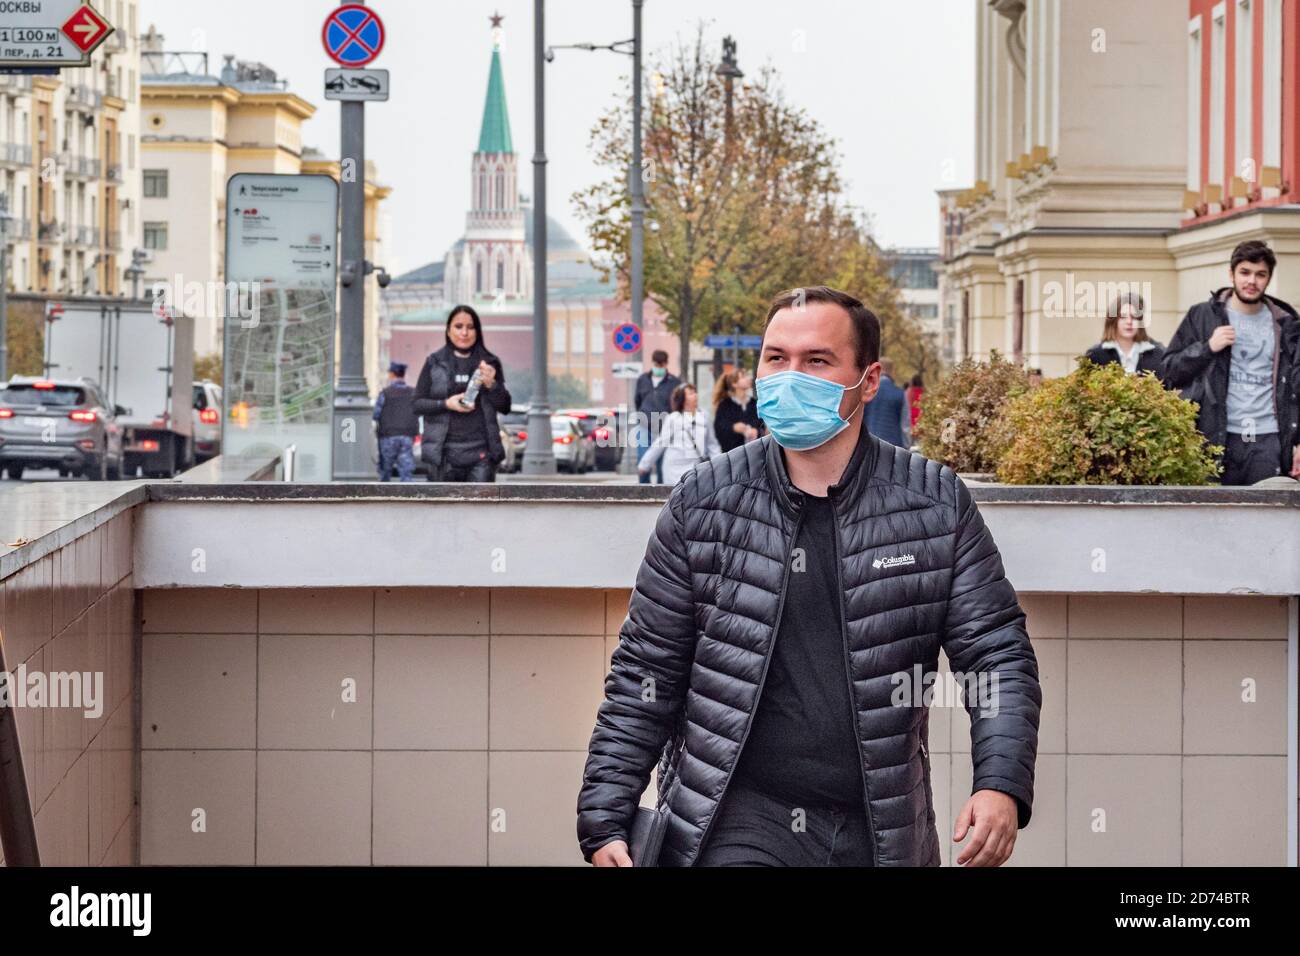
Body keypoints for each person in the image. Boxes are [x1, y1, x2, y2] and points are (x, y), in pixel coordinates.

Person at [578, 285, 1041, 868]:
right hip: (736, 817)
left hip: (880, 825)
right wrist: (606, 813)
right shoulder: (705, 502)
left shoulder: (934, 503)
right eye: (776, 358)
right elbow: (647, 669)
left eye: (816, 361)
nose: (789, 376)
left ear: (867, 382)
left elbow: (996, 656)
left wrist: (1000, 783)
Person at [1161, 240, 1300, 485]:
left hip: (1268, 438)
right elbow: (1169, 370)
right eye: (1245, 272)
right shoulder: (1203, 315)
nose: (1252, 281)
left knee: (1265, 518)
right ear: (1231, 273)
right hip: (1216, 437)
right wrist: (1207, 348)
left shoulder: (1286, 324)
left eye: (1260, 274)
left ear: (1268, 279)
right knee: (1216, 518)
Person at [412, 304, 512, 483]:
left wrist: (492, 384)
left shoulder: (490, 363)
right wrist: (446, 404)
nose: (464, 333)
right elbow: (417, 404)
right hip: (443, 454)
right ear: (448, 331)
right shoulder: (434, 363)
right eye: (458, 327)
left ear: (477, 332)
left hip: (481, 454)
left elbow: (505, 406)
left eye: (470, 327)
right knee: (444, 510)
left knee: (479, 509)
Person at [637, 383, 723, 485]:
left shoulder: (704, 416)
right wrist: (645, 465)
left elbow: (712, 443)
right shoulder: (673, 418)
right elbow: (660, 443)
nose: (695, 395)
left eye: (695, 392)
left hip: (697, 468)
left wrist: (720, 464)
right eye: (691, 393)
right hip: (674, 469)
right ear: (682, 398)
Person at [1084, 293, 1165, 375]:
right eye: (1123, 317)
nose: (1129, 322)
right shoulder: (1096, 355)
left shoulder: (1156, 354)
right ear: (1113, 321)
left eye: (1134, 317)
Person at [633, 350, 680, 484]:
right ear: (652, 363)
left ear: (666, 364)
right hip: (644, 426)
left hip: (664, 427)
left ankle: (660, 492)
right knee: (643, 460)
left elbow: (676, 405)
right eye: (656, 364)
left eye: (661, 365)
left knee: (661, 463)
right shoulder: (643, 379)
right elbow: (637, 400)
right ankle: (643, 491)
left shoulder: (674, 382)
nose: (658, 367)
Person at [372, 361, 417, 482]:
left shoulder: (385, 393)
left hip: (388, 436)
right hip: (407, 436)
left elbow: (376, 415)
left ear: (392, 374)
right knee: (406, 473)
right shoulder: (413, 392)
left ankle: (383, 498)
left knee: (385, 472)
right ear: (403, 374)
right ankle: (408, 498)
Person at [864, 356, 911, 448]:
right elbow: (905, 426)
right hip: (893, 448)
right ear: (891, 371)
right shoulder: (900, 394)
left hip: (868, 444)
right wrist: (907, 447)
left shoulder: (866, 391)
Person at [710, 368, 762, 453]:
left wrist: (757, 431)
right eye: (743, 377)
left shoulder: (755, 403)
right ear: (734, 384)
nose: (749, 378)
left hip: (755, 454)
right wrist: (733, 428)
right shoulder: (725, 405)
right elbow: (718, 429)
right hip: (733, 456)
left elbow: (762, 425)